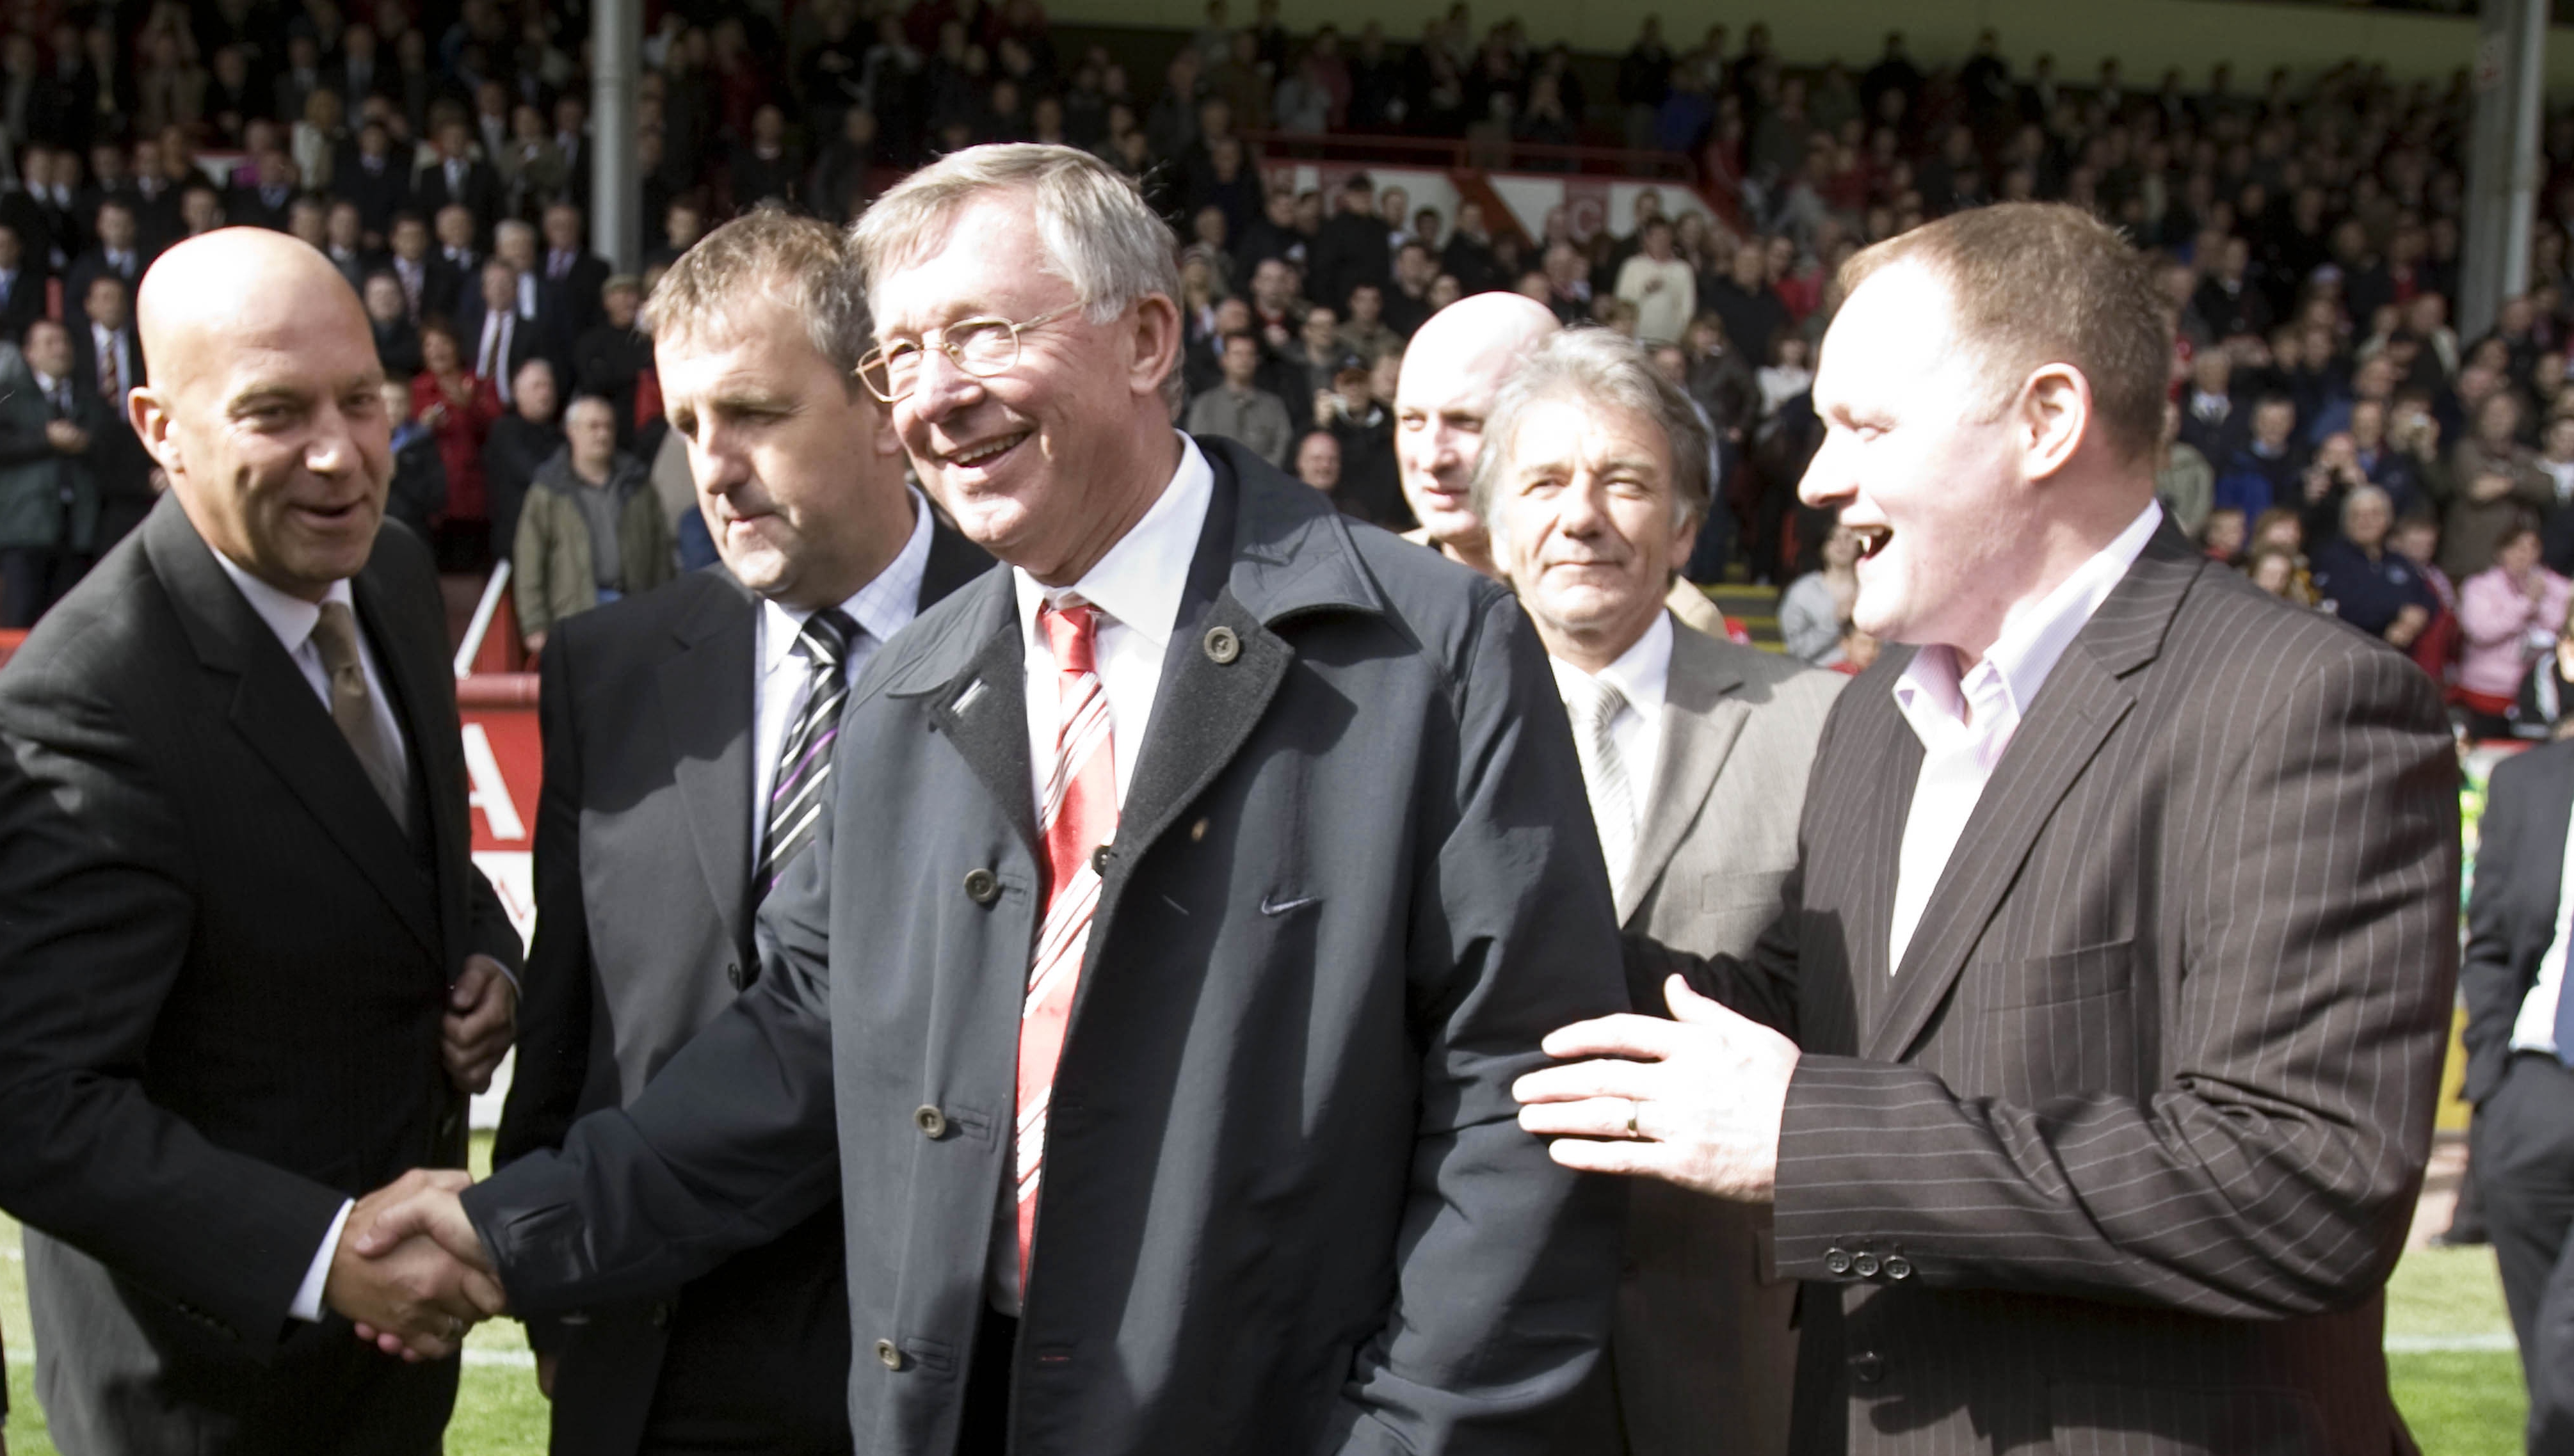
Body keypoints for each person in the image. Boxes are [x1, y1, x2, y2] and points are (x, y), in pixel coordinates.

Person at [351, 141, 1625, 1455]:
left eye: (978, 334)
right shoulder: (911, 690)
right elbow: (795, 1045)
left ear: (1146, 339)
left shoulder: (1429, 651)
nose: (936, 397)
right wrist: (516, 1229)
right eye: (901, 359)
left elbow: (1526, 1109)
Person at [1515, 203, 2456, 1454]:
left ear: (2045, 421)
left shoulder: (2303, 703)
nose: (1816, 478)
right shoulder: (1875, 727)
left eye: (1864, 426)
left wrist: (1808, 1139)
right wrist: (1491, 907)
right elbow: (1814, 1017)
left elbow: (2300, 1186)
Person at [0, 227, 521, 1453]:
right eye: (275, 413)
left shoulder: (387, 573)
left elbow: (409, 868)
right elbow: (32, 1103)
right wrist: (323, 1254)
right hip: (209, 1400)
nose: (340, 454)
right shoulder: (87, 697)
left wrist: (492, 961)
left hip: (390, 1381)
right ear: (156, 425)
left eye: (361, 399)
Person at [493, 208, 993, 1456]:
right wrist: (550, 1268)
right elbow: (572, 1007)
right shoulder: (608, 669)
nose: (712, 466)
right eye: (689, 424)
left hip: (932, 1364)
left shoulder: (1038, 649)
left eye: (756, 415)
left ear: (885, 403)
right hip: (650, 1344)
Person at [1476, 326, 1840, 1456]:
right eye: (1544, 483)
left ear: (1685, 526)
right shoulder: (1406, 734)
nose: (1581, 516)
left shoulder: (1824, 727)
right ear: (1494, 527)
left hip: (1733, 1349)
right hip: (1473, 1343)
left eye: (1624, 482)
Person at [2461, 727, 2574, 1452]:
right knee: (2545, 1354)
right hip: (2532, 1091)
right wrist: (2490, 1086)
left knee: (2568, 1352)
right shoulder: (2525, 784)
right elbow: (2493, 945)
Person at [513, 395, 673, 655]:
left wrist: (666, 612)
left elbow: (661, 556)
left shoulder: (638, 484)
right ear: (572, 431)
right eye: (593, 427)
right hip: (575, 615)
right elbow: (530, 560)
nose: (603, 434)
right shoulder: (548, 490)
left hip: (634, 612)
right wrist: (534, 625)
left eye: (608, 426)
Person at [0, 318, 110, 625]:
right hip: (26, 529)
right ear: (29, 352)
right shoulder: (9, 396)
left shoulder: (89, 397)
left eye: (64, 342)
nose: (60, 350)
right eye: (49, 343)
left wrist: (85, 442)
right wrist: (45, 439)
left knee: (71, 623)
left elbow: (112, 447)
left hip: (78, 529)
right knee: (21, 620)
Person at [2459, 524, 2573, 739]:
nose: (2525, 555)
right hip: (2490, 689)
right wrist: (2526, 604)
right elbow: (2481, 631)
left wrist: (2542, 602)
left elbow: (2568, 614)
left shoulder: (2546, 582)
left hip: (2537, 689)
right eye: (2517, 548)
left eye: (2531, 548)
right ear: (2500, 552)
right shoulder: (2480, 586)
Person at [2308, 484, 2436, 650]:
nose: (2366, 521)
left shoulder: (2399, 561)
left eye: (2374, 514)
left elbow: (2426, 598)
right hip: (2348, 651)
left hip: (2397, 656)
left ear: (2388, 519)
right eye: (2357, 515)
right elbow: (2341, 606)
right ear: (2346, 521)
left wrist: (2413, 619)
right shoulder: (2330, 558)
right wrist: (2397, 616)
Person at [482, 357, 562, 561]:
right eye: (537, 386)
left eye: (549, 386)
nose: (545, 393)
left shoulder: (560, 435)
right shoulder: (506, 430)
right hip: (517, 539)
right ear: (518, 392)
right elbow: (534, 472)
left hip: (555, 537)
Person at [1182, 330, 1294, 466]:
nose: (1244, 360)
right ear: (1224, 360)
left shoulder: (1274, 406)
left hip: (1265, 481)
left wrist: (1259, 473)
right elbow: (1197, 448)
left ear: (1257, 361)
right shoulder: (1204, 405)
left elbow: (1283, 446)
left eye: (1250, 354)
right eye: (1237, 354)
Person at [1778, 518, 1859, 666]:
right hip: (1819, 677)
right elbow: (1796, 650)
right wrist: (1834, 622)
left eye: (1848, 537)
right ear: (1823, 547)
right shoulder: (1802, 592)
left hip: (1870, 679)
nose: (1842, 544)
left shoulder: (1872, 588)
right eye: (1833, 539)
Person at [382, 378, 448, 541]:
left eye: (399, 403)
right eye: (387, 402)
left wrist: (398, 474)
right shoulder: (360, 442)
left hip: (410, 531)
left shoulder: (423, 443)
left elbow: (437, 496)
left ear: (409, 406)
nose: (392, 409)